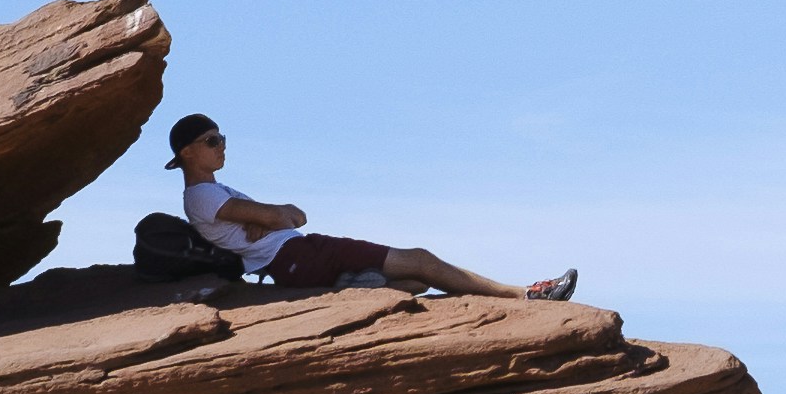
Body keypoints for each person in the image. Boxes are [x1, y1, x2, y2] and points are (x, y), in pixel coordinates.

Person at [164, 114, 572, 302]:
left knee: (415, 285)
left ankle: (348, 288)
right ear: (187, 151)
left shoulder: (219, 193)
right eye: (213, 140)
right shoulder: (202, 196)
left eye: (222, 137)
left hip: (295, 256)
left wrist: (264, 218)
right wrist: (265, 218)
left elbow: (294, 216)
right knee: (420, 259)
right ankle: (524, 294)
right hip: (295, 255)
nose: (223, 145)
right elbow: (283, 216)